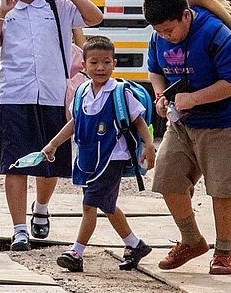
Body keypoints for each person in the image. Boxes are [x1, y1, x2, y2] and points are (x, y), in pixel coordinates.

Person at [0, 0, 103, 251]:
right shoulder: (1, 9)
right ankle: (19, 229)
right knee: (14, 164)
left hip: (52, 93)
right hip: (14, 94)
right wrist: (1, 14)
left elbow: (95, 18)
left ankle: (42, 207)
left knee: (49, 161)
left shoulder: (58, 5)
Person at [144, 0, 231, 276]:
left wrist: (193, 98)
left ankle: (223, 252)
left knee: (223, 188)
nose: (166, 37)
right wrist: (160, 96)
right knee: (167, 180)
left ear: (185, 16)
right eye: (160, 32)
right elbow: (154, 70)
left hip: (225, 123)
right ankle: (191, 240)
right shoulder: (158, 38)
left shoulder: (216, 34)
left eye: (169, 30)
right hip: (182, 123)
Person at [41, 36, 155, 272]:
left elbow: (139, 121)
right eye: (94, 62)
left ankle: (76, 252)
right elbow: (74, 122)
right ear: (84, 65)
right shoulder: (81, 92)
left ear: (114, 63)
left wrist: (149, 146)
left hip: (112, 159)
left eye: (106, 62)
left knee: (89, 205)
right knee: (107, 205)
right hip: (88, 159)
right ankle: (135, 244)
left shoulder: (120, 93)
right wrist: (53, 144)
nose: (100, 68)